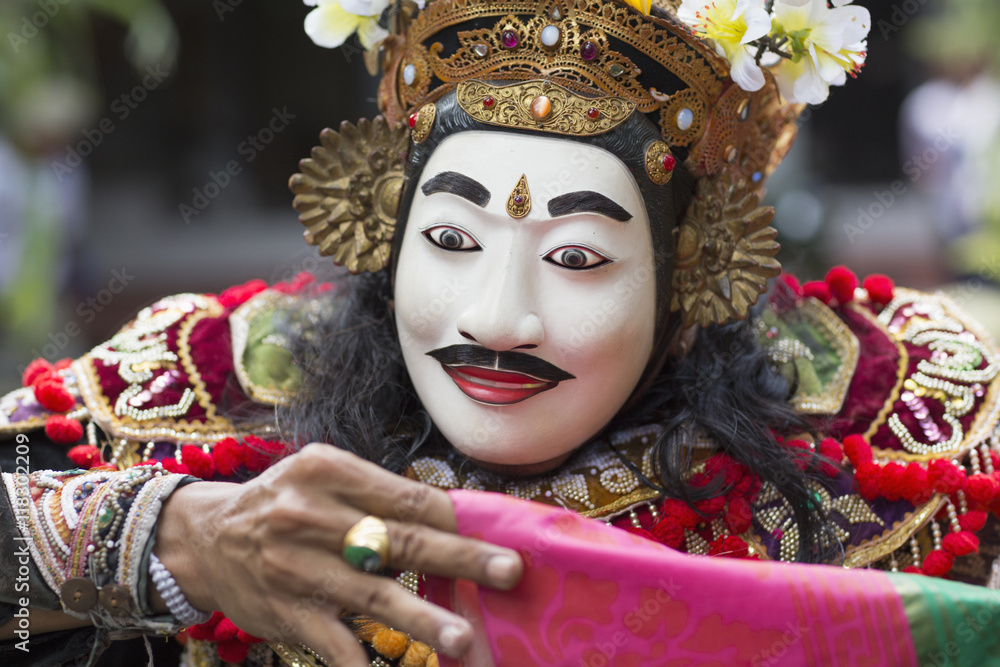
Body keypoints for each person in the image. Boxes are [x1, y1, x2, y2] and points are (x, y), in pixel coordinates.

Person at [3, 0, 1000, 665]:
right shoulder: (209, 388)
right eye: (449, 239)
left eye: (577, 256)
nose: (495, 317)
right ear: (382, 226)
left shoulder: (888, 429)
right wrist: (170, 537)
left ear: (696, 271)